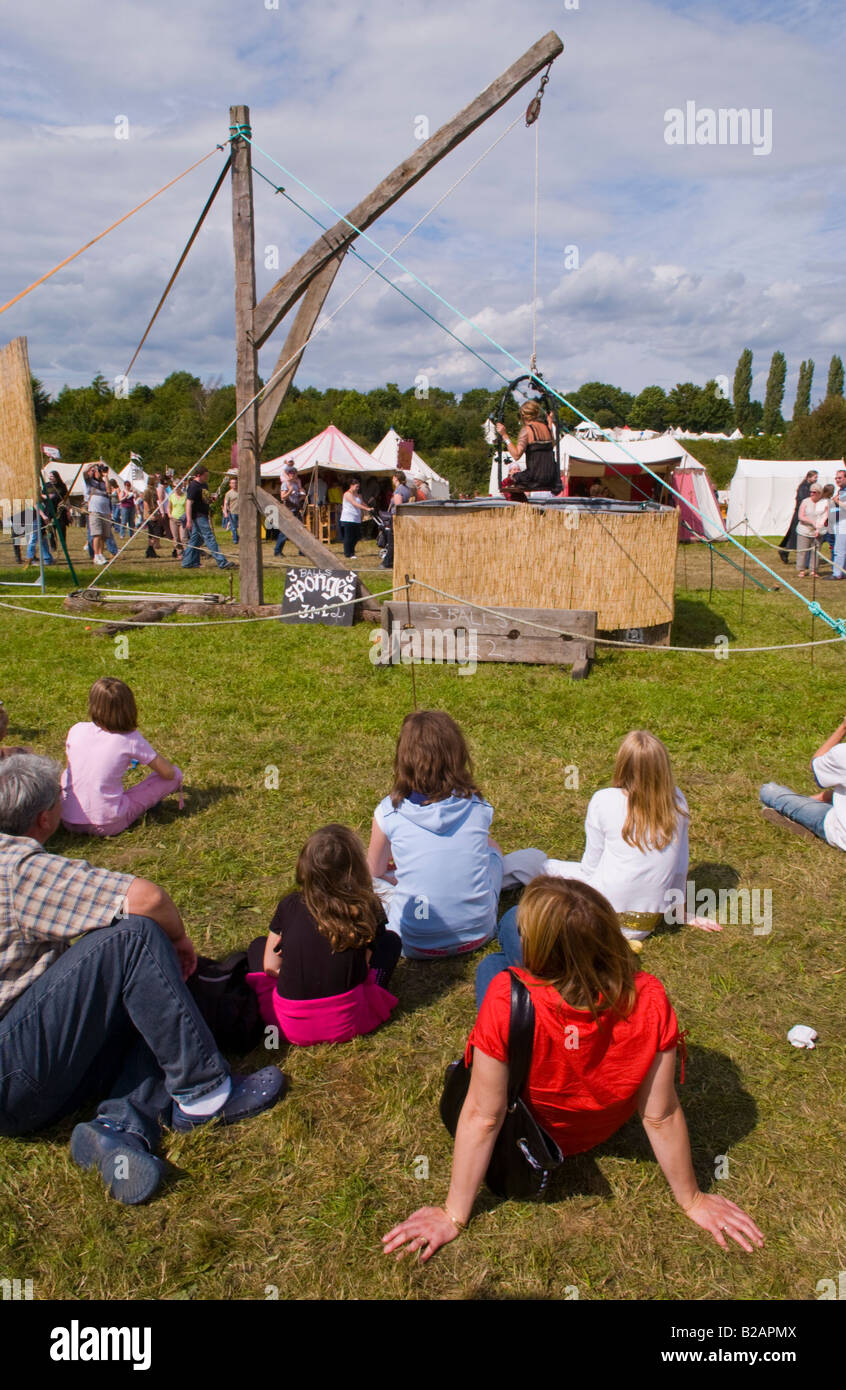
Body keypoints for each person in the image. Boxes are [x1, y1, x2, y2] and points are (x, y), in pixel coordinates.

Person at [382, 876, 764, 1262]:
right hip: (592, 1127)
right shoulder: (650, 997)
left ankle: (507, 950)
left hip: (534, 1128)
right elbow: (661, 1114)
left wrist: (453, 1214)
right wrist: (692, 1199)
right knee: (496, 961)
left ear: (541, 953)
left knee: (499, 953)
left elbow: (484, 1115)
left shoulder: (504, 998)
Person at [0, 754, 286, 1205]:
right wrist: (179, 942)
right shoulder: (19, 870)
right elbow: (146, 898)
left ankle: (119, 1128)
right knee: (137, 938)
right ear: (44, 817)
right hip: (13, 1071)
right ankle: (205, 1092)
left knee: (146, 993)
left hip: (21, 1067)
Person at [500, 731, 718, 946]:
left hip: (597, 916)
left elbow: (589, 867)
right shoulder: (678, 800)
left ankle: (486, 881)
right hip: (644, 926)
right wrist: (683, 913)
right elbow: (680, 866)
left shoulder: (604, 800)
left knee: (534, 860)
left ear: (623, 764)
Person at [245, 825, 401, 1045]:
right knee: (390, 942)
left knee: (258, 945)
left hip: (288, 1025)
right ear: (356, 868)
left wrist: (294, 973)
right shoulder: (368, 906)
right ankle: (379, 991)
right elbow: (362, 971)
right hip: (348, 1022)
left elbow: (270, 966)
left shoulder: (289, 904)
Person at [366, 710, 504, 958]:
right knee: (493, 851)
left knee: (367, 882)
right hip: (479, 934)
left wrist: (403, 874)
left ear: (403, 757)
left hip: (412, 944)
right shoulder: (477, 804)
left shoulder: (388, 812)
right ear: (457, 755)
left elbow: (373, 872)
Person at [60, 677, 183, 837]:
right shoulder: (130, 738)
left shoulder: (76, 729)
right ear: (130, 707)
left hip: (67, 818)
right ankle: (142, 805)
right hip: (107, 823)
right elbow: (168, 773)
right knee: (176, 775)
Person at [759, 713, 846, 849]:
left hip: (839, 831)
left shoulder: (842, 754)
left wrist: (843, 728)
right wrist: (818, 797)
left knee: (768, 791)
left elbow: (814, 765)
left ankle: (798, 820)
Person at [496, 400, 562, 496]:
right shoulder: (547, 429)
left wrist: (504, 435)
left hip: (534, 477)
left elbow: (516, 455)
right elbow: (552, 445)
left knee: (511, 479)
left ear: (523, 416)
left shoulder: (527, 430)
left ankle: (518, 507)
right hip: (551, 477)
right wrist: (550, 422)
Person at [182, 466, 235, 570]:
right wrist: (188, 519)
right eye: (205, 475)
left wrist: (211, 499)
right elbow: (188, 503)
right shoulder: (193, 486)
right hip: (198, 516)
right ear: (198, 475)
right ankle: (222, 562)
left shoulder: (204, 485)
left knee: (195, 541)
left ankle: (187, 562)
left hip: (204, 514)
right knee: (209, 537)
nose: (207, 477)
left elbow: (205, 499)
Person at [779, 469, 818, 565]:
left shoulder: (809, 487)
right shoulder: (803, 487)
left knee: (794, 535)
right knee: (795, 535)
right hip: (800, 514)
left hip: (804, 514)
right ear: (809, 477)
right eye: (815, 477)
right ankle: (785, 551)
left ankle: (786, 551)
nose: (816, 479)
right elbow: (803, 500)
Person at [380, 470, 413, 569]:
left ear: (396, 478)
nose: (392, 480)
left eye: (393, 478)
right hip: (405, 519)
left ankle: (387, 563)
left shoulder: (399, 490)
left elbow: (398, 506)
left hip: (397, 519)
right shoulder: (407, 489)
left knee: (392, 542)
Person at [83, 463, 114, 565]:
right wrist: (91, 467)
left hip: (105, 511)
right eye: (100, 471)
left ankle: (101, 553)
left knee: (105, 535)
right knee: (97, 534)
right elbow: (84, 474)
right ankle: (96, 555)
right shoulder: (90, 482)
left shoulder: (104, 483)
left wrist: (106, 477)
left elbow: (109, 491)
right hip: (95, 511)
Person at [273, 464, 305, 557]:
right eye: (290, 473)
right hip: (288, 510)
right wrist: (290, 491)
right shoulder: (285, 484)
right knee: (285, 531)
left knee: (300, 530)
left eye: (294, 473)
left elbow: (298, 497)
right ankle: (277, 551)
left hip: (295, 509)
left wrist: (301, 497)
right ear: (287, 474)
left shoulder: (296, 484)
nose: (292, 474)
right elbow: (283, 497)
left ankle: (302, 551)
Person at [796, 482, 823, 577]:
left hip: (817, 531)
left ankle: (813, 570)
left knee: (816, 551)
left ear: (820, 493)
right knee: (802, 551)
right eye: (811, 492)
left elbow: (825, 516)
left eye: (814, 492)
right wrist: (812, 522)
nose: (812, 494)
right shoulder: (805, 501)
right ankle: (801, 570)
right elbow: (801, 516)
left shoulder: (823, 503)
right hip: (804, 530)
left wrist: (819, 528)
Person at [339, 479, 370, 558]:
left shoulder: (358, 495)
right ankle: (349, 553)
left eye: (358, 487)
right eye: (356, 486)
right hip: (348, 518)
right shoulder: (347, 494)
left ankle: (351, 551)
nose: (358, 488)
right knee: (348, 537)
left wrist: (368, 507)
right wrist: (366, 509)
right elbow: (354, 503)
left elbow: (361, 502)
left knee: (356, 536)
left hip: (356, 518)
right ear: (351, 486)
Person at [831, 470, 846, 579]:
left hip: (843, 523)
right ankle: (842, 571)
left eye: (839, 478)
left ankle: (837, 574)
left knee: (839, 550)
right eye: (836, 478)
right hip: (838, 521)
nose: (837, 480)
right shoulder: (841, 490)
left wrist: (836, 501)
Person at [222, 475, 239, 545]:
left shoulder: (241, 491)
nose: (234, 484)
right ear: (230, 484)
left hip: (242, 512)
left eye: (235, 483)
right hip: (233, 512)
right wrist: (225, 512)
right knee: (234, 527)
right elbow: (225, 503)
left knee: (242, 527)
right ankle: (235, 540)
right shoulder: (228, 493)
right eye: (232, 483)